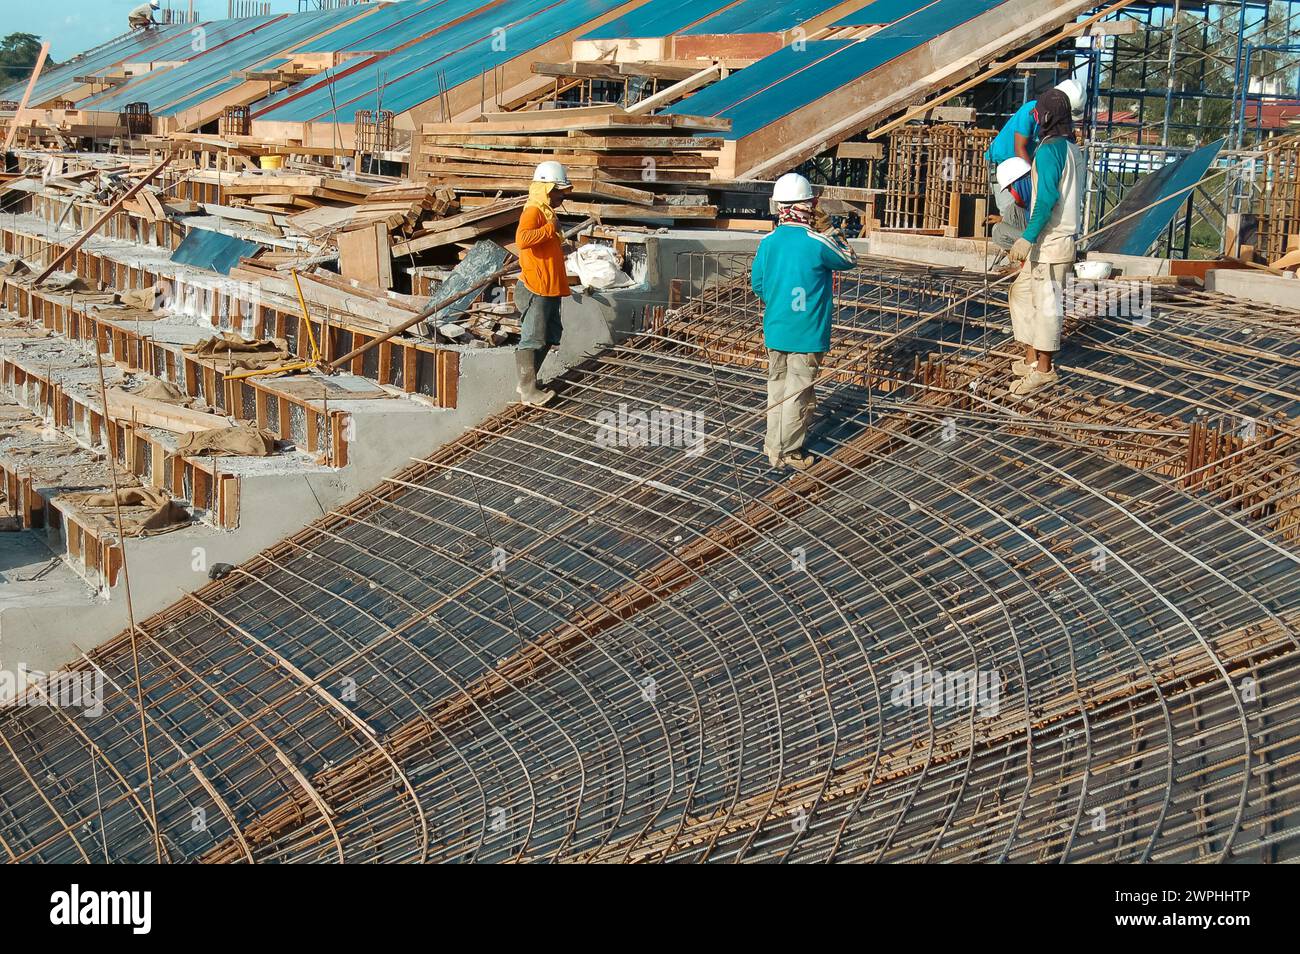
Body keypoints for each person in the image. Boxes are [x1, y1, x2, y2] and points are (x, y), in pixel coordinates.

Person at [750, 172, 855, 471]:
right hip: (807, 333)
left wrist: (780, 301)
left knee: (777, 389)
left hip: (776, 329)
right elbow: (849, 258)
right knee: (798, 394)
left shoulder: (768, 242)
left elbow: (758, 283)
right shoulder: (816, 242)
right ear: (811, 205)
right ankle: (787, 453)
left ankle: (772, 445)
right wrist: (830, 229)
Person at [1006, 88, 1084, 398]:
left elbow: (1047, 199)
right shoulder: (1070, 148)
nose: (1035, 117)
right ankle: (1030, 360)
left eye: (1038, 113)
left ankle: (1044, 371)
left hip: (1053, 243)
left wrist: (1027, 237)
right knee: (1021, 294)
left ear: (1048, 116)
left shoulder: (1052, 150)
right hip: (1047, 242)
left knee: (1048, 308)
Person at [985, 79, 1085, 238]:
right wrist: (1036, 178)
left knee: (1030, 210)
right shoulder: (1032, 111)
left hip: (1024, 169)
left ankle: (1025, 243)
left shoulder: (1054, 137)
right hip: (1005, 164)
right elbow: (1020, 148)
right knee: (1012, 212)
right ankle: (1020, 247)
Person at [514, 160, 572, 406]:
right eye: (558, 190)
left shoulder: (547, 212)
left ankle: (527, 383)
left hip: (549, 286)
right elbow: (523, 239)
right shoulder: (534, 211)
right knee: (532, 338)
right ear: (547, 189)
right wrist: (550, 230)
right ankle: (528, 390)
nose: (562, 195)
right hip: (535, 287)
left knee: (550, 335)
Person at [991, 156, 1031, 250]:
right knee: (1012, 209)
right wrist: (1002, 219)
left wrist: (1027, 239)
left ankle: (1028, 250)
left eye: (1010, 188)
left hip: (1044, 242)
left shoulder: (1039, 197)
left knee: (999, 231)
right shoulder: (1033, 191)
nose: (1009, 191)